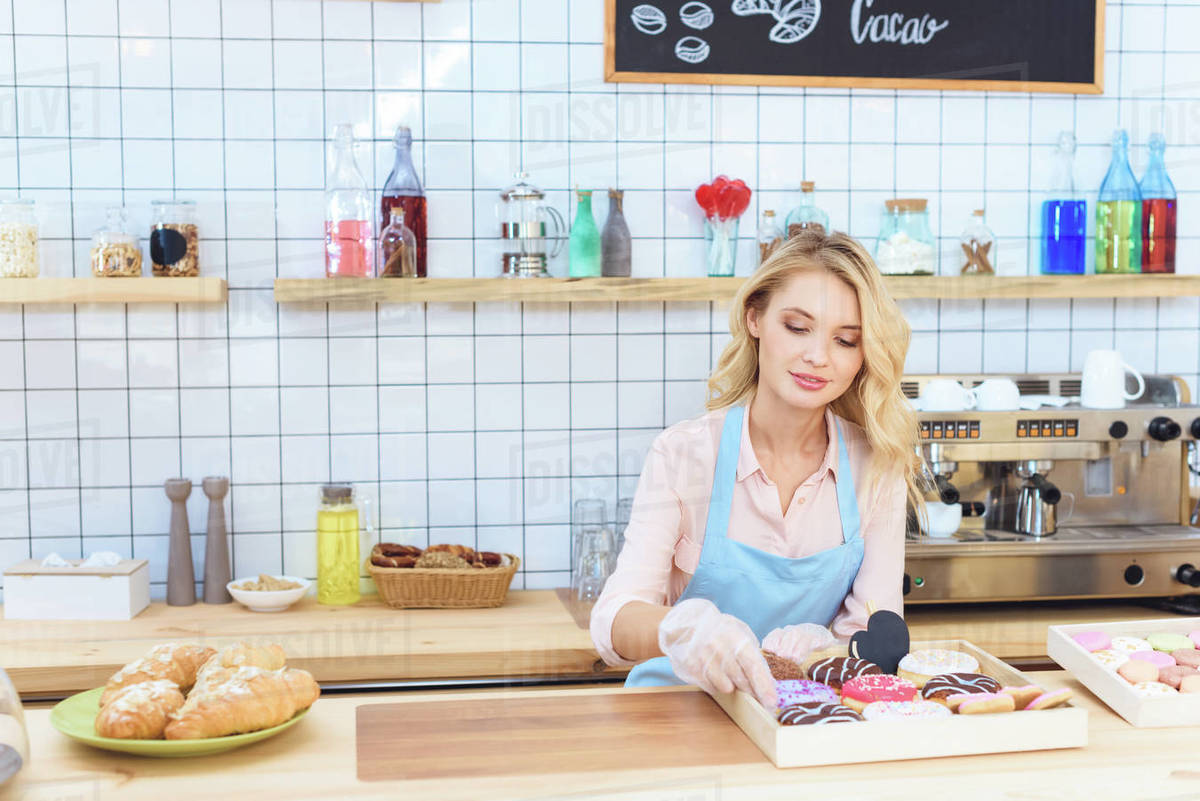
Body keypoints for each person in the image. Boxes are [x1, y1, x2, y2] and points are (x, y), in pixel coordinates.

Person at [589, 230, 923, 710]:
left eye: (845, 340)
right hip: (675, 714)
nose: (818, 357)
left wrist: (826, 648)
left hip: (804, 720)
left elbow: (872, 636)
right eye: (797, 326)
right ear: (755, 318)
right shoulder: (683, 455)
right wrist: (685, 631)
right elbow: (613, 622)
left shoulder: (878, 466)